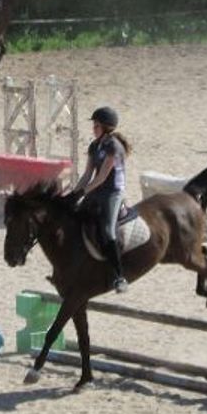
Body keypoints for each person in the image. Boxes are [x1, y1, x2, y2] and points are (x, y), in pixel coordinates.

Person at [71, 106, 133, 293]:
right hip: (98, 190)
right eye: (94, 125)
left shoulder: (114, 147)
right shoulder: (94, 145)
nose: (93, 128)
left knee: (108, 231)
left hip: (113, 192)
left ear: (106, 127)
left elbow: (102, 177)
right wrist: (74, 193)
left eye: (96, 125)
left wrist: (84, 193)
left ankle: (119, 277)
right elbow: (88, 174)